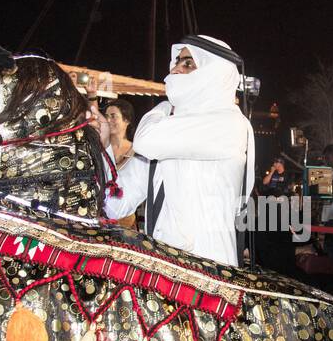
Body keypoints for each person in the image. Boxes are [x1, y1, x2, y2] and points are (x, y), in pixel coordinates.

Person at [100, 35, 255, 266]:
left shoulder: (230, 124)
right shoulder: (167, 130)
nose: (175, 69)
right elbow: (114, 203)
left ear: (213, 75)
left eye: (188, 64)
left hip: (208, 273)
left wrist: (162, 107)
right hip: (162, 272)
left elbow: (145, 141)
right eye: (176, 62)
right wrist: (102, 146)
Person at [104, 98, 138, 229]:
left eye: (113, 116)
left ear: (127, 120)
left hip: (126, 220)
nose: (108, 120)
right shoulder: (101, 149)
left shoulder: (137, 150)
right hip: (101, 217)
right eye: (106, 116)